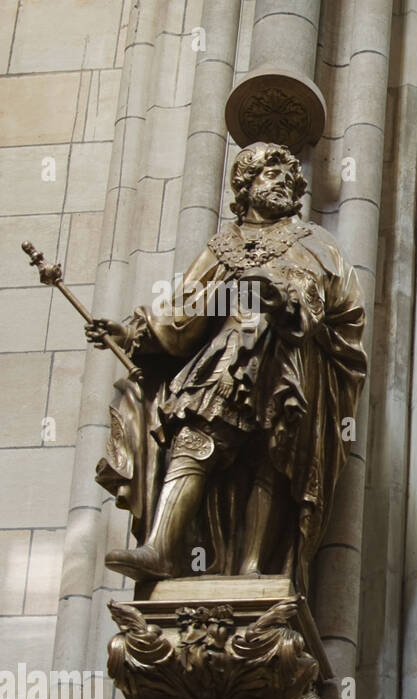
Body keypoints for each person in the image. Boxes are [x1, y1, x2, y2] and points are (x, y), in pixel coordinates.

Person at [88, 141, 366, 590]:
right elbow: (186, 311)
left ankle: (254, 567)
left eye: (288, 178)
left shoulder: (314, 242)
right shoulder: (223, 246)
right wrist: (129, 333)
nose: (283, 185)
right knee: (193, 432)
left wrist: (282, 297)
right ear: (246, 184)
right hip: (226, 356)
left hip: (287, 359)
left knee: (272, 456)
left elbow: (334, 303)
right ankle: (161, 546)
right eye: (270, 176)